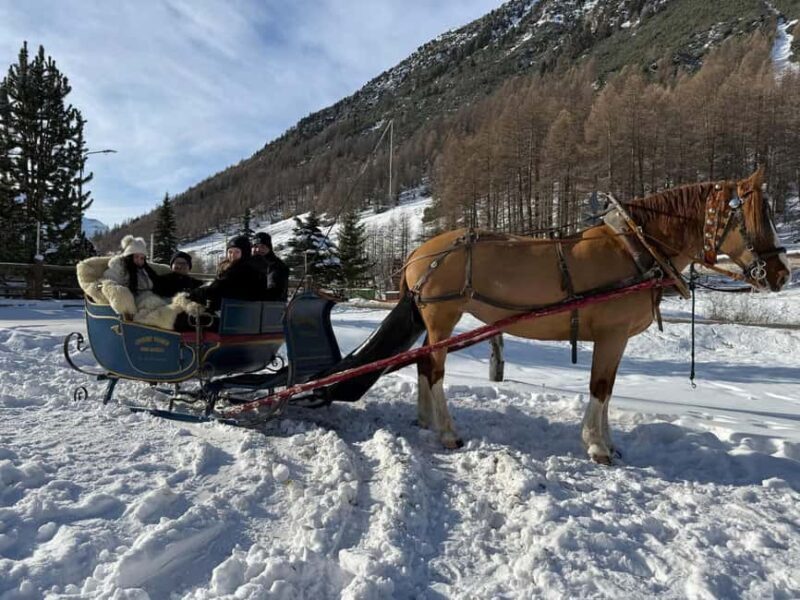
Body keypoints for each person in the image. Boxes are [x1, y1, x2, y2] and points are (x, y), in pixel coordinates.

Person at [99, 235, 177, 327]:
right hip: (135, 299)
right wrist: (117, 291)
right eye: (136, 257)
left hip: (151, 296)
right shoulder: (119, 267)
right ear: (129, 256)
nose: (139, 261)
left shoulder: (145, 270)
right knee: (154, 306)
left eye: (142, 258)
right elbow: (109, 280)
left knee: (173, 303)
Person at [187, 235, 268, 313]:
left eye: (237, 252)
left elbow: (216, 290)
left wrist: (194, 293)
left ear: (245, 253)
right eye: (230, 252)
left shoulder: (240, 270)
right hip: (247, 312)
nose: (232, 255)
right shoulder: (254, 267)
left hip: (236, 314)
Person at [251, 231, 290, 301]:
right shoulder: (248, 264)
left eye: (262, 246)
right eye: (255, 246)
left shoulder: (276, 265)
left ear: (269, 248)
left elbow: (274, 291)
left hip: (270, 307)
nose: (258, 250)